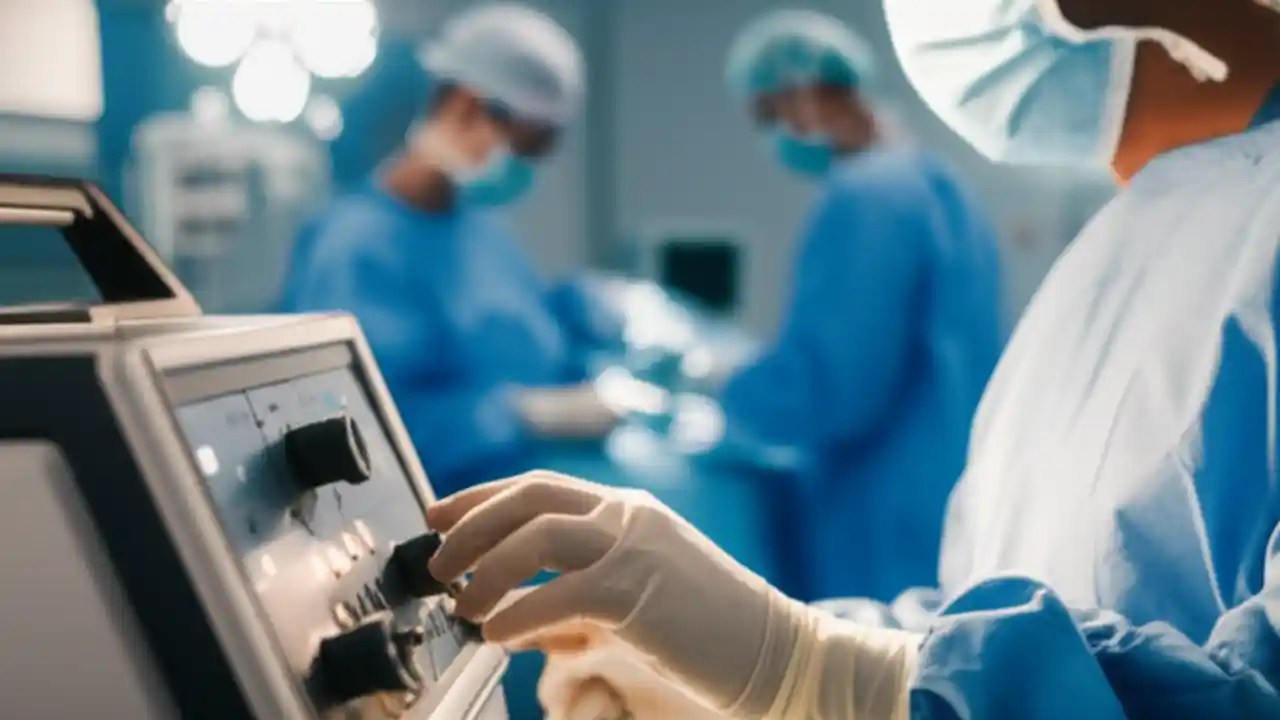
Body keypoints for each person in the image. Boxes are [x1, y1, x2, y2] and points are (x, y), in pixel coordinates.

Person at [421, 0, 1280, 717]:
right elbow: (1003, 602)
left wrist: (806, 667)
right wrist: (768, 671)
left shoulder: (889, 197)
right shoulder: (1132, 236)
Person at [717, 11, 1004, 602]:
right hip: (945, 499)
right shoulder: (938, 184)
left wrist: (724, 387)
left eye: (768, 116)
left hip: (880, 516)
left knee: (871, 679)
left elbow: (832, 389)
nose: (775, 135)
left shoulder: (867, 198)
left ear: (799, 99)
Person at [279, 5, 621, 497]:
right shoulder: (355, 249)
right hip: (441, 526)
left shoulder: (481, 229)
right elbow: (359, 425)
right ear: (465, 106)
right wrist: (522, 414)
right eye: (528, 146)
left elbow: (528, 344)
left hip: (525, 501)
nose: (530, 168)